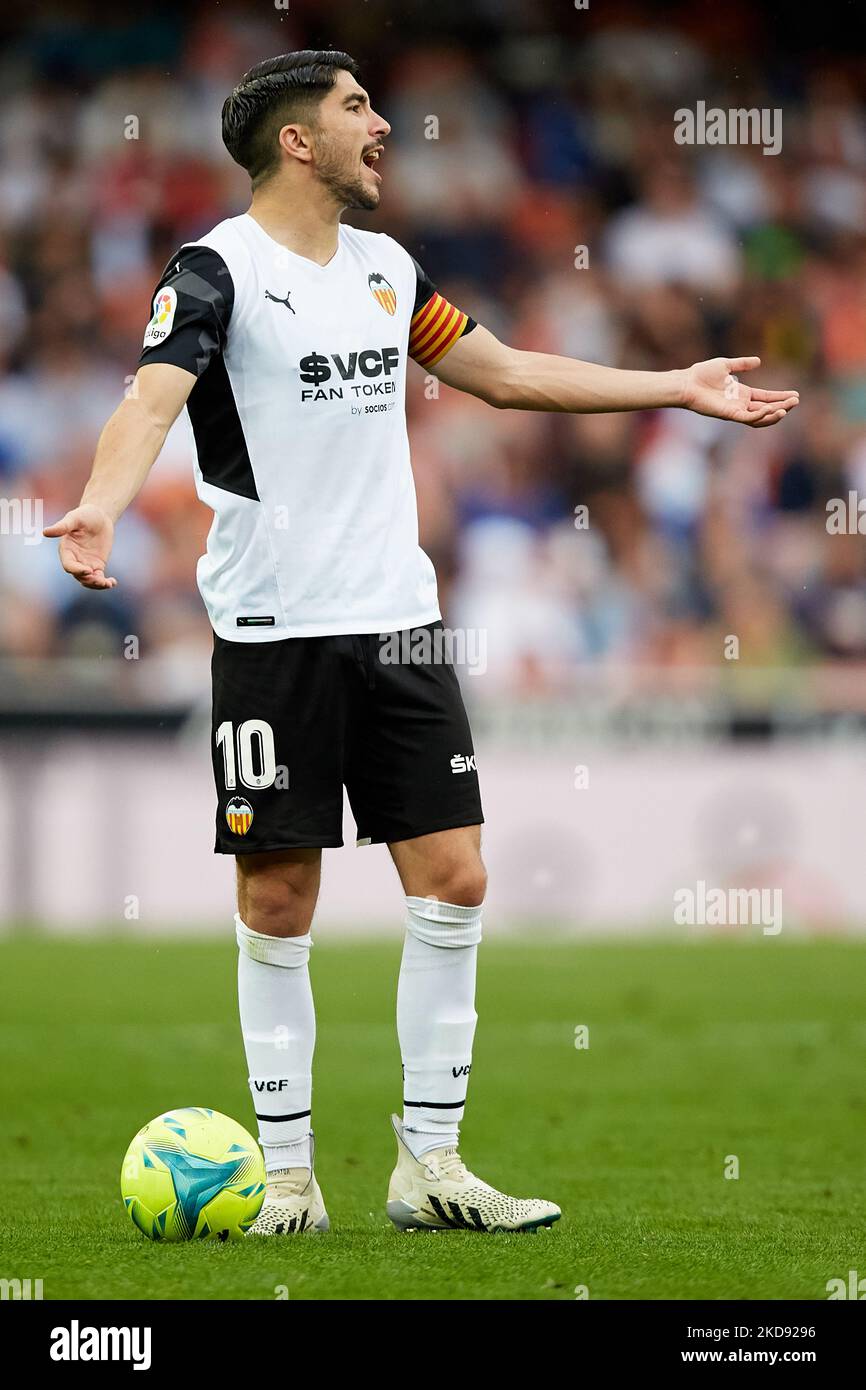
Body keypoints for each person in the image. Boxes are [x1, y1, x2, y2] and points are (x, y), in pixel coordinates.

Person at [45, 50, 799, 1236]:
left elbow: (502, 374)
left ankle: (429, 1165)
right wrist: (99, 502)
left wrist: (672, 385)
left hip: (400, 624)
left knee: (454, 877)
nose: (383, 124)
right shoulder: (214, 271)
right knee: (280, 896)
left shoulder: (388, 271)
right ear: (298, 142)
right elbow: (151, 399)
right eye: (355, 108)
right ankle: (287, 1176)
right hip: (273, 633)